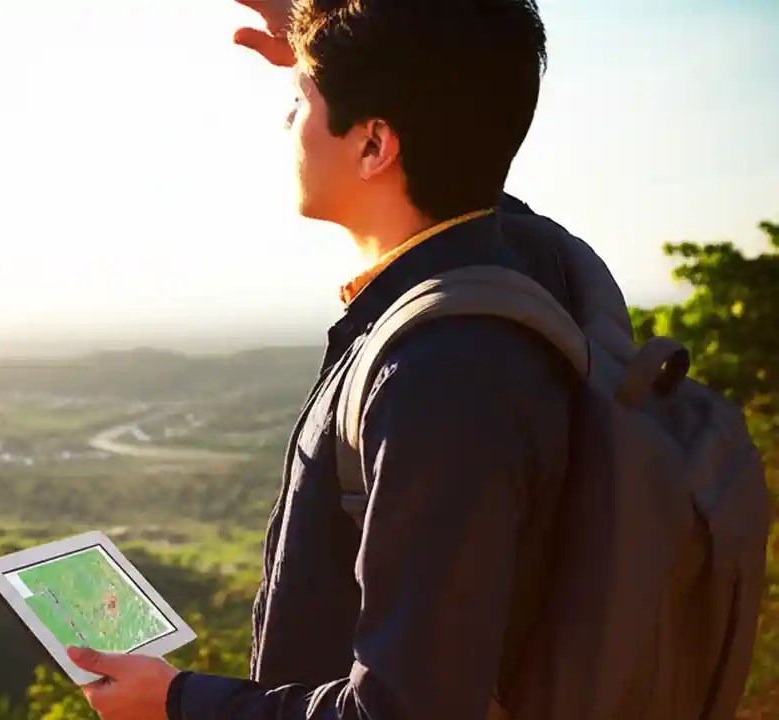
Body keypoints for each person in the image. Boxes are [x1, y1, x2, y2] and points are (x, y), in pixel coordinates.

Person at [67, 1, 580, 717]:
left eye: (299, 100)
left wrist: (179, 703)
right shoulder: (520, 272)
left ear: (374, 146)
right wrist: (333, 36)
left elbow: (404, 710)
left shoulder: (444, 373)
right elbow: (466, 139)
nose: (286, 123)